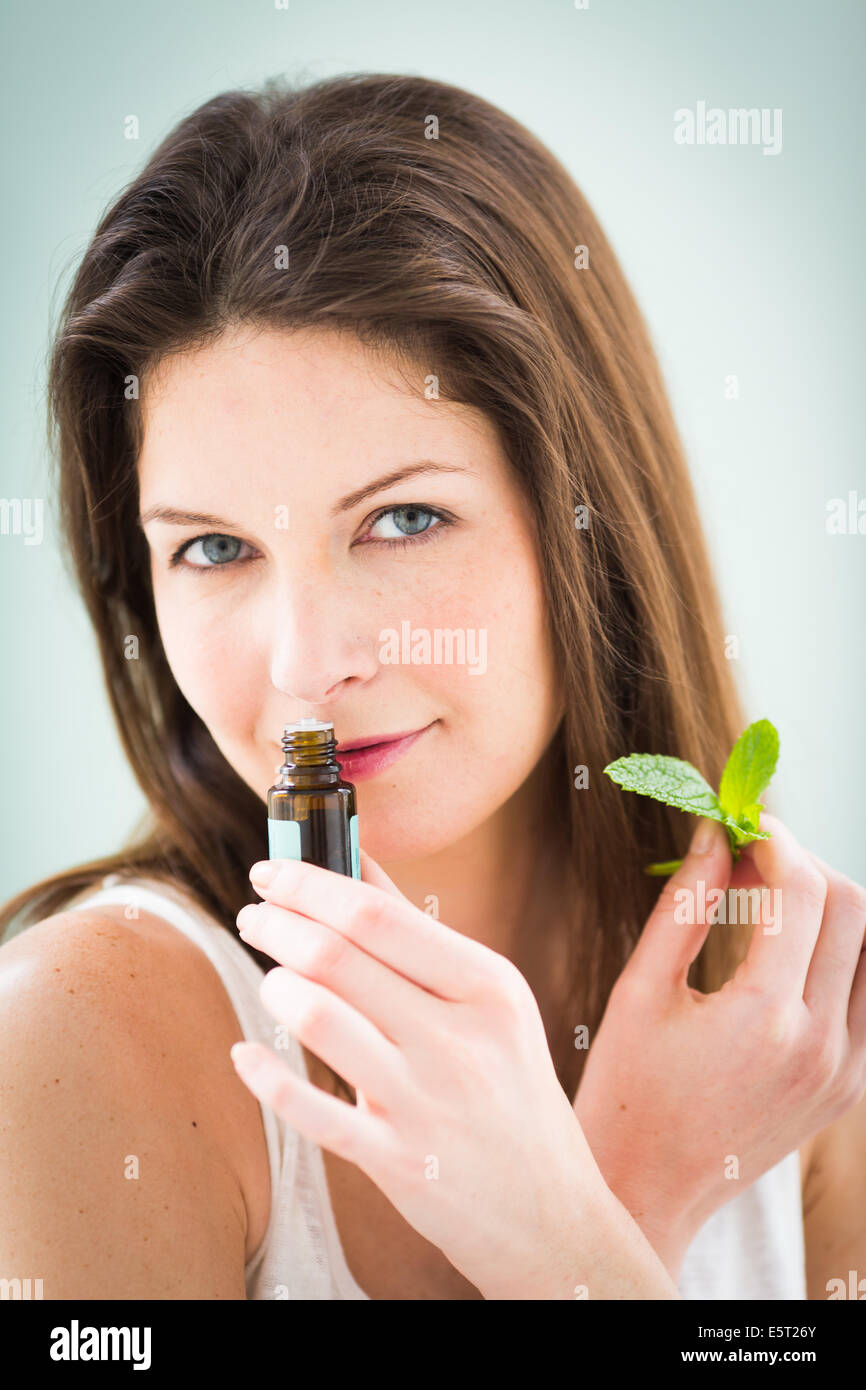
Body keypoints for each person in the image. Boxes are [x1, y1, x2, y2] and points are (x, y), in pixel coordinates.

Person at [1, 72, 863, 1301]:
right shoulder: (76, 1045)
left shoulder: (785, 1036)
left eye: (403, 519)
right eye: (213, 546)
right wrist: (624, 1202)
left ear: (590, 532)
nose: (305, 664)